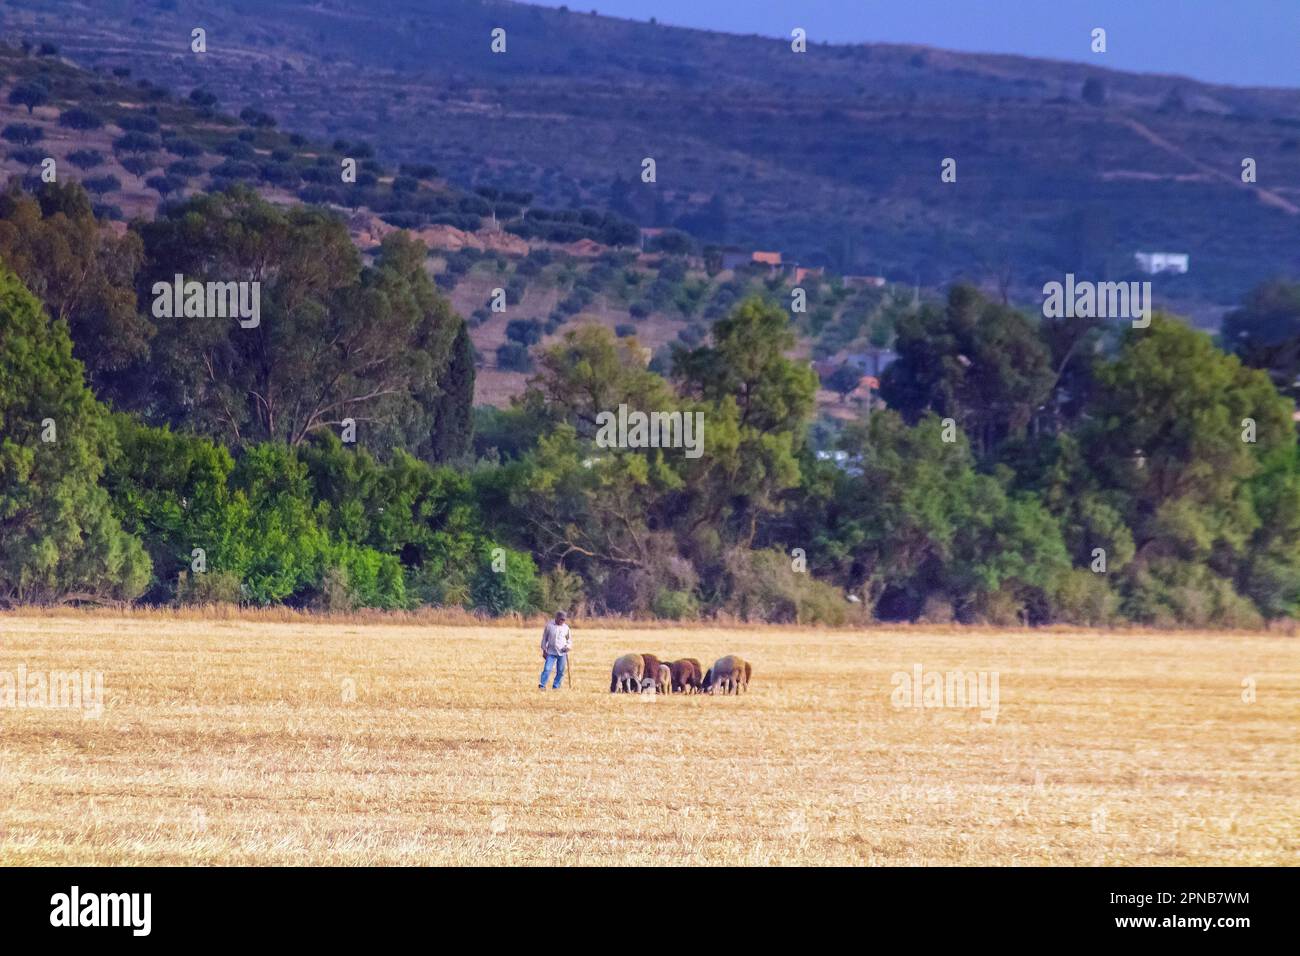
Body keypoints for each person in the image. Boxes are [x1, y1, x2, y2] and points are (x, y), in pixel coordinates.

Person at [538, 610, 571, 690]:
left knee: (560, 671)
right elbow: (544, 638)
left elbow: (569, 640)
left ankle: (556, 686)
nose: (562, 621)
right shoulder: (549, 626)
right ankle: (542, 685)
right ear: (557, 618)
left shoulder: (566, 628)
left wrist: (568, 647)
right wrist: (544, 650)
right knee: (547, 669)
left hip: (562, 652)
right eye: (561, 619)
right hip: (551, 652)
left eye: (564, 620)